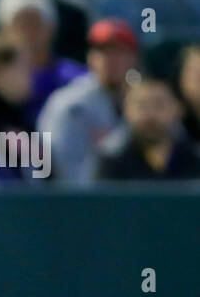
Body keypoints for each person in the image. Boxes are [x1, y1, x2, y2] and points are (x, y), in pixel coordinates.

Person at [38, 18, 140, 185]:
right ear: (91, 57)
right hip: (81, 202)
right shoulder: (69, 103)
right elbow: (64, 166)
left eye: (119, 52)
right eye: (103, 52)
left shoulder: (148, 99)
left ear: (133, 58)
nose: (111, 60)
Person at [0, 0, 84, 122]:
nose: (28, 32)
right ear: (3, 30)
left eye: (35, 23)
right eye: (21, 24)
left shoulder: (77, 79)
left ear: (51, 28)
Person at [97, 77, 200, 179]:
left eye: (159, 104)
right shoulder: (111, 162)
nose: (150, 113)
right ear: (126, 110)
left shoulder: (195, 160)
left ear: (177, 110)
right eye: (142, 105)